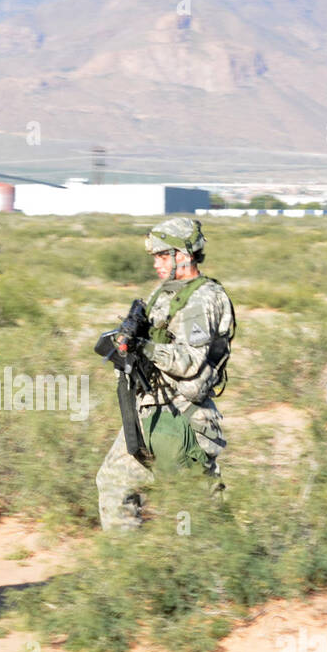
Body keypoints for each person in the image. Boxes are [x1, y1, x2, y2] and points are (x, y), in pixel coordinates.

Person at [95, 218, 236, 531]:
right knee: (114, 482)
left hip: (184, 420)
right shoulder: (165, 292)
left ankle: (234, 570)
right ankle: (129, 569)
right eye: (155, 257)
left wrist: (144, 347)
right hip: (151, 413)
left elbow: (189, 362)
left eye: (162, 256)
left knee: (203, 515)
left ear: (183, 255)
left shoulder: (203, 299)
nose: (156, 263)